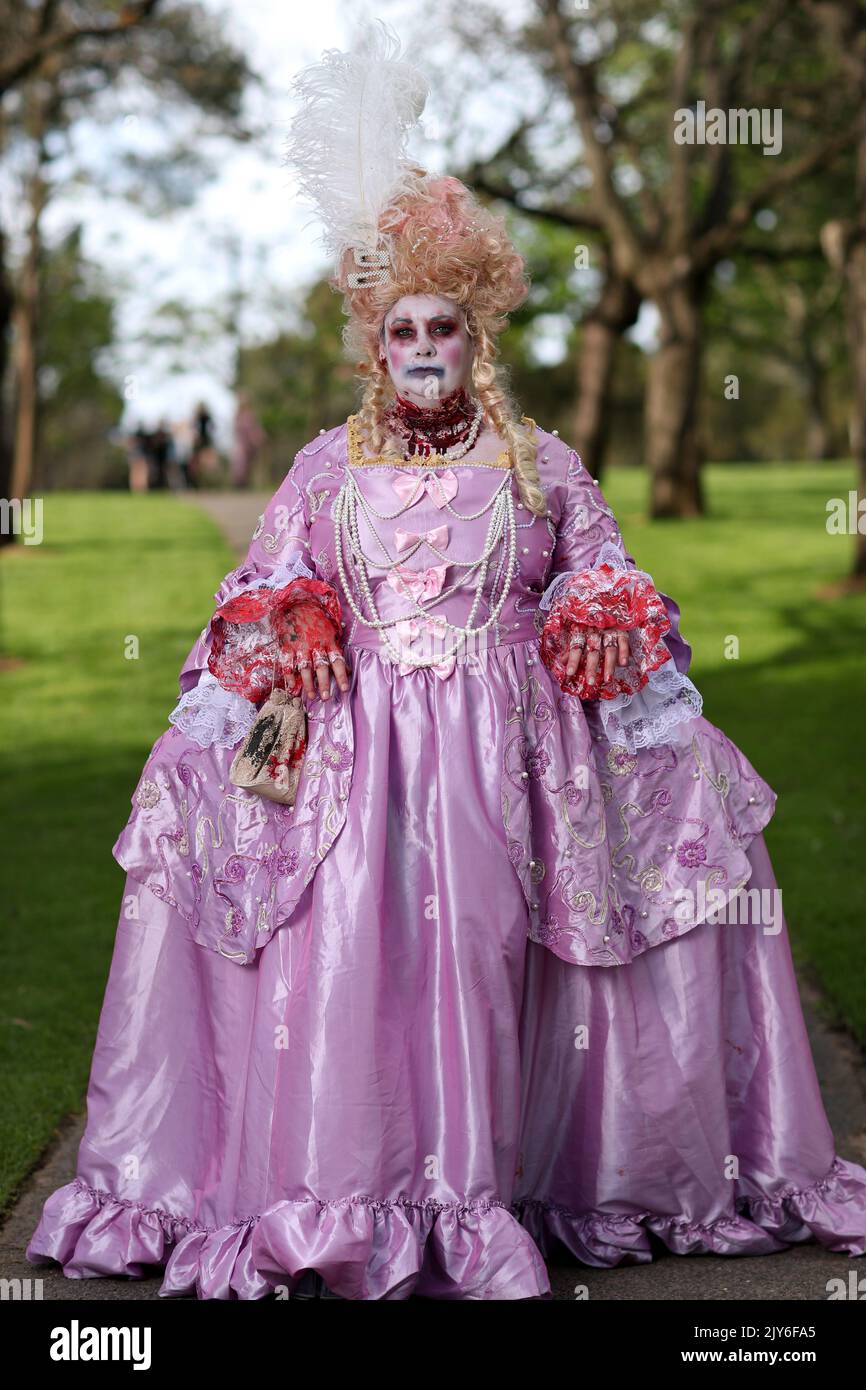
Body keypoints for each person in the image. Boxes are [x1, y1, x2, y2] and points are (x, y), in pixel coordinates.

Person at [25, 20, 866, 1302]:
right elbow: (254, 587)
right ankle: (345, 1189)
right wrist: (288, 619)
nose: (426, 349)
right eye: (404, 330)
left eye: (448, 329)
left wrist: (600, 610)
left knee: (489, 954)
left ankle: (507, 1188)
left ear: (478, 337)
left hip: (502, 759)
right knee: (353, 958)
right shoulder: (322, 466)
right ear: (376, 344)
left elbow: (604, 566)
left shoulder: (542, 466)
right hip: (359, 762)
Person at [231, 389, 267, 488]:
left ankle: (244, 484)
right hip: (242, 443)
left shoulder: (250, 415)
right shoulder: (238, 415)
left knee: (247, 465)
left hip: (249, 444)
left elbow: (254, 428)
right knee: (241, 464)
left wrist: (258, 438)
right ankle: (239, 484)